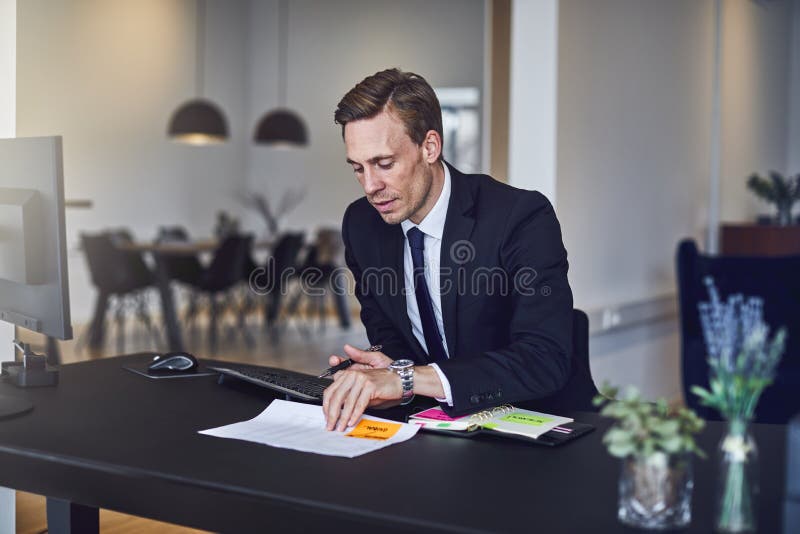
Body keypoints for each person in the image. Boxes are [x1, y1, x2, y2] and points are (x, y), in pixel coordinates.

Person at [323, 68, 582, 431]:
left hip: (529, 427)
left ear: (430, 146)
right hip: (429, 428)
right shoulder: (362, 225)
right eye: (357, 168)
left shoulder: (520, 217)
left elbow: (543, 359)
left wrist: (408, 379)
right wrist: (384, 367)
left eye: (384, 164)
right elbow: (390, 337)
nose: (370, 186)